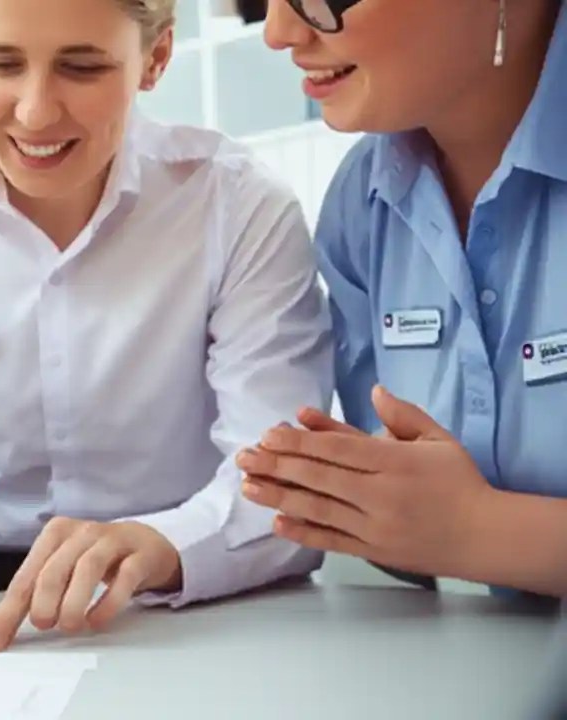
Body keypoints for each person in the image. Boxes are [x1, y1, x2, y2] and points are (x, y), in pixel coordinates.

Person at [0, 0, 334, 653]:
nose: (35, 110)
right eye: (1, 63)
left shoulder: (239, 206)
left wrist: (163, 545)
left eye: (82, 67)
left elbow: (280, 477)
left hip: (192, 582)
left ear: (154, 60)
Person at [237, 0, 567, 599]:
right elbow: (408, 549)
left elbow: (450, 537)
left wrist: (480, 531)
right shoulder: (362, 206)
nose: (279, 33)